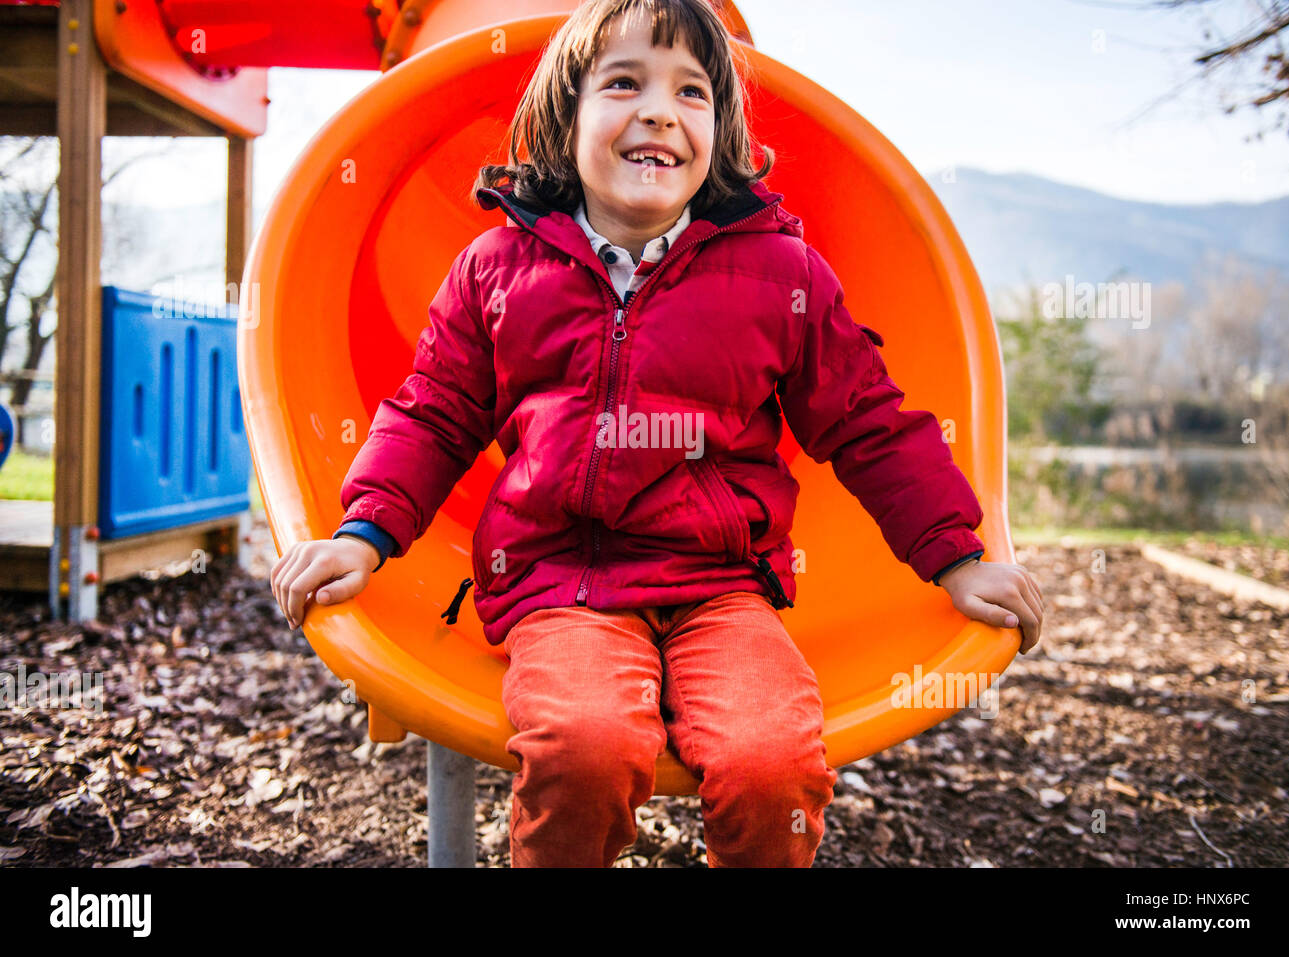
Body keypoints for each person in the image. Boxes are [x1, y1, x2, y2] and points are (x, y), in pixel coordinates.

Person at [271, 0, 1044, 867]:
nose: (657, 110)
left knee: (772, 765)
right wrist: (363, 533)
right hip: (561, 583)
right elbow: (433, 411)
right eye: (623, 83)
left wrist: (957, 552)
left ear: (722, 132)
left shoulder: (778, 271)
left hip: (721, 586)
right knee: (584, 750)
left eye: (692, 92)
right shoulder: (497, 267)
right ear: (565, 119)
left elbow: (868, 420)